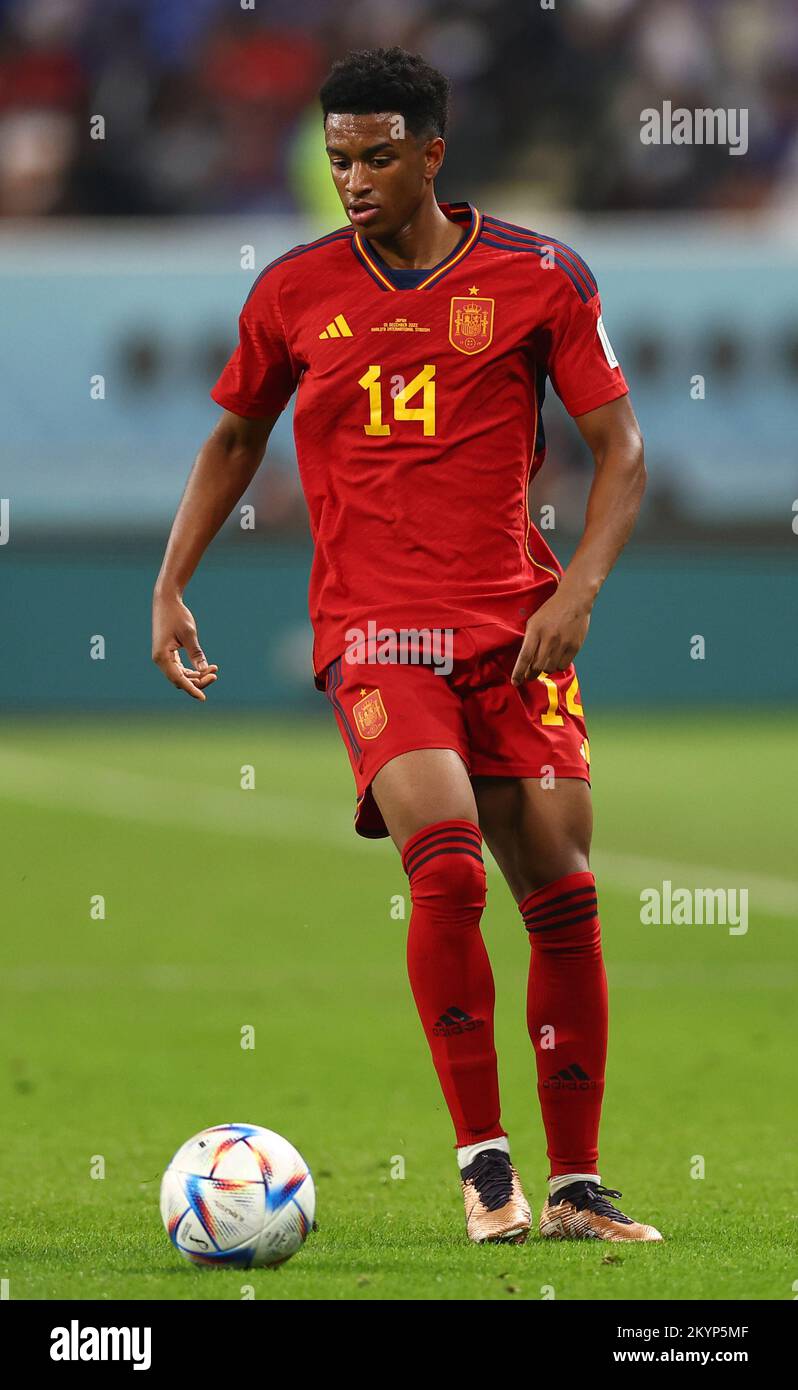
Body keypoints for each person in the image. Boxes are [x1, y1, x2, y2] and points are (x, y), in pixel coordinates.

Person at [152, 46, 660, 1245]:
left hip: (515, 634)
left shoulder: (539, 278)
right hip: (378, 631)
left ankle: (578, 1186)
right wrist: (171, 583)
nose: (355, 179)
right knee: (444, 865)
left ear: (434, 151)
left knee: (567, 898)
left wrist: (578, 589)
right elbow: (232, 443)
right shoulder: (292, 291)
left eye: (379, 156)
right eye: (338, 160)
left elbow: (622, 451)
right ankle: (487, 1168)